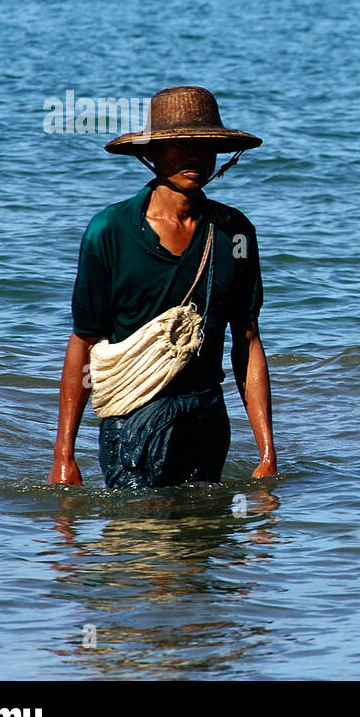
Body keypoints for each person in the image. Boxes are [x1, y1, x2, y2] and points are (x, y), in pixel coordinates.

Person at [47, 86, 276, 488]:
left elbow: (248, 339)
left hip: (207, 418)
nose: (195, 157)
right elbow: (83, 340)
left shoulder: (234, 232)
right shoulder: (111, 231)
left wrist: (267, 453)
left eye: (204, 147)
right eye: (179, 145)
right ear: (152, 154)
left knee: (204, 539)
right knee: (140, 540)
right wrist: (64, 456)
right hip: (132, 416)